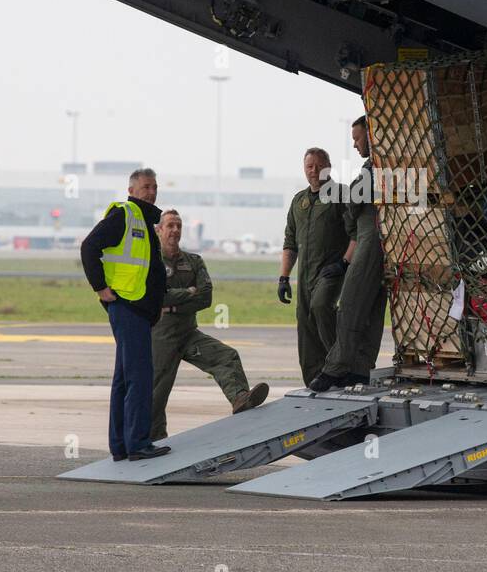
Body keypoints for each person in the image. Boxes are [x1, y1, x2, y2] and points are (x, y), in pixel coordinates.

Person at [150, 209, 269, 440]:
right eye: (170, 226)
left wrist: (174, 302)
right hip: (161, 335)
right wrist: (188, 293)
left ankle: (240, 399)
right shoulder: (152, 262)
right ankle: (151, 442)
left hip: (188, 333)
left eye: (178, 226)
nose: (175, 230)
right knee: (157, 392)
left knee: (226, 356)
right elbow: (156, 297)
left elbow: (205, 297)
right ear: (159, 230)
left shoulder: (193, 261)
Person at [80, 167, 170, 463]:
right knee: (140, 377)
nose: (151, 192)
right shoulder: (125, 215)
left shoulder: (145, 221)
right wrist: (100, 287)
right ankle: (138, 443)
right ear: (131, 190)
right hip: (127, 306)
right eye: (145, 187)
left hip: (138, 309)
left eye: (154, 186)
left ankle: (120, 445)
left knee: (124, 378)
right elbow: (89, 246)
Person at [309, 116, 387, 391]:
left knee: (351, 305)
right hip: (378, 235)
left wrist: (354, 202)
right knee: (373, 307)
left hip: (372, 237)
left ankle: (337, 367)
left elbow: (355, 199)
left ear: (371, 135)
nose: (354, 144)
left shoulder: (376, 167)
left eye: (357, 138)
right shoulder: (379, 165)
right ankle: (360, 369)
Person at [278, 147, 354, 386]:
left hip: (331, 270)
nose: (314, 171)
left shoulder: (341, 195)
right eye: (310, 166)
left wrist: (344, 263)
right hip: (305, 275)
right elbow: (290, 243)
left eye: (319, 166)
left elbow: (356, 234)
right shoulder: (298, 200)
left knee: (322, 307)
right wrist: (283, 278)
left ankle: (340, 367)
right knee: (305, 322)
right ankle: (313, 379)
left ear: (328, 167)